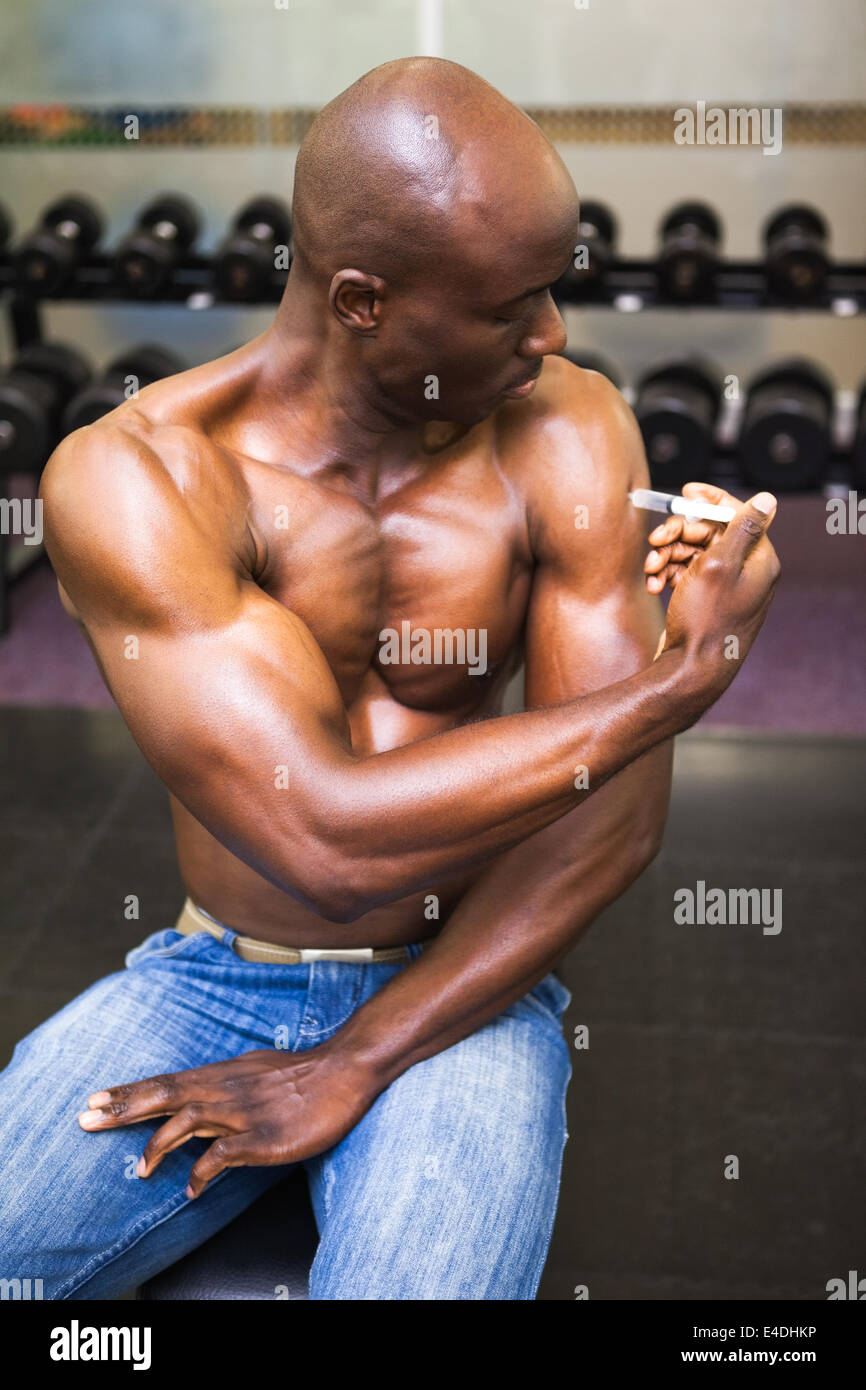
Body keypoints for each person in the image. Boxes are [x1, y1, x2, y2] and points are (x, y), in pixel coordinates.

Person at [0, 57, 779, 1300]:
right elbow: (319, 840)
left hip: (463, 987)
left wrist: (361, 1055)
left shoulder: (567, 433)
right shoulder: (140, 479)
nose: (552, 336)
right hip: (211, 977)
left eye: (553, 292)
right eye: (507, 308)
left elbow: (611, 822)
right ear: (362, 299)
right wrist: (682, 678)